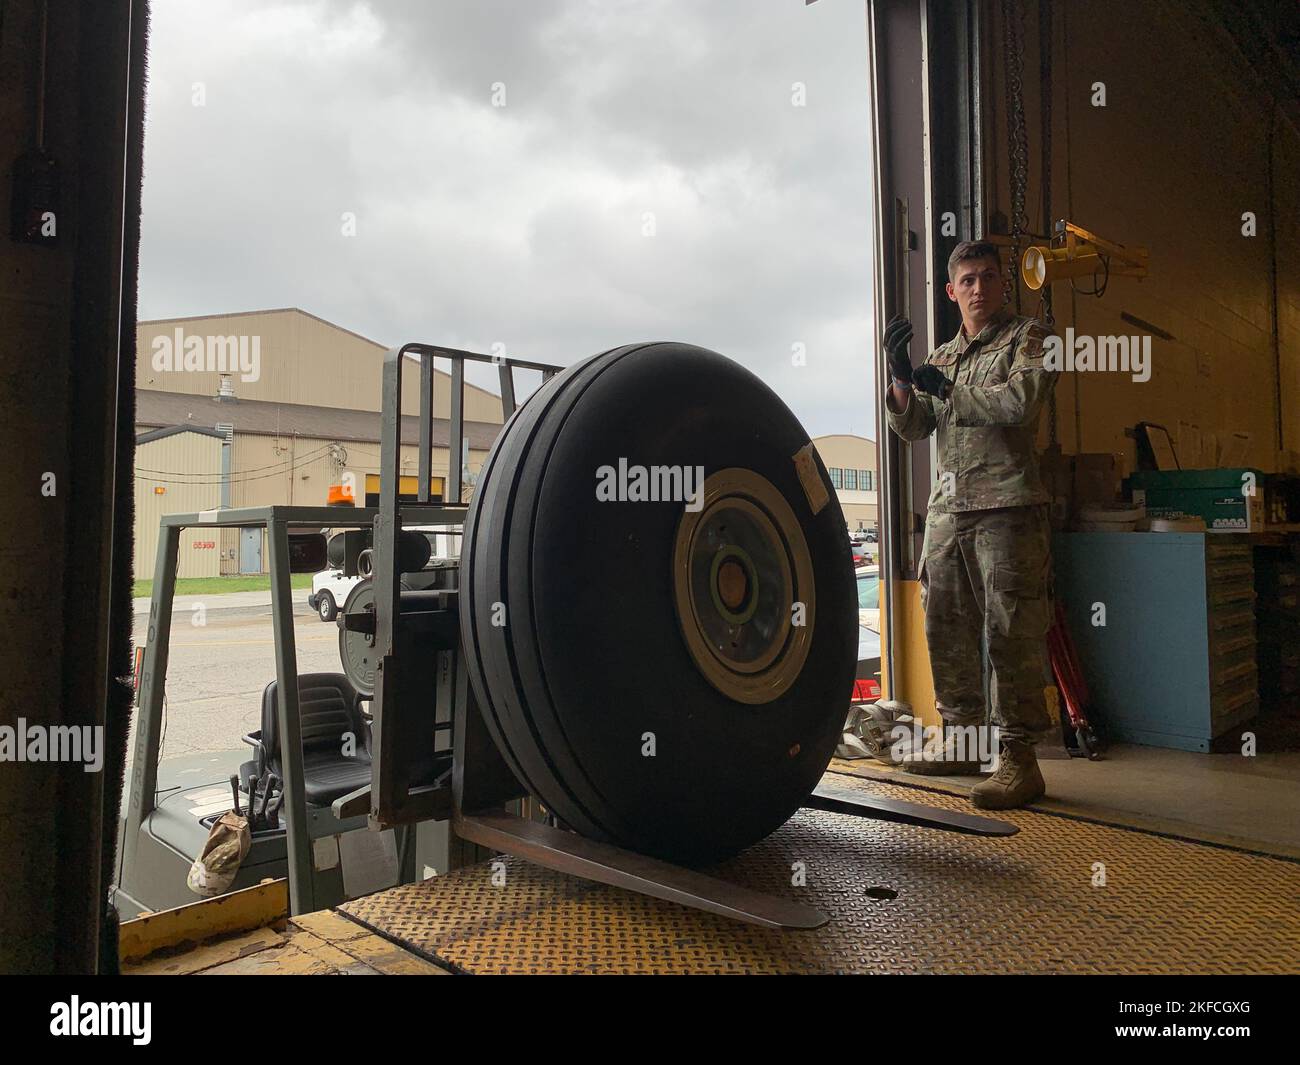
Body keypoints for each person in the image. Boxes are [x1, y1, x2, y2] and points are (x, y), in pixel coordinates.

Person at [882, 240, 1060, 809]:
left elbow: (1020, 403)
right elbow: (913, 429)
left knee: (1011, 631)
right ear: (952, 291)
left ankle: (1019, 758)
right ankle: (963, 738)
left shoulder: (1030, 340)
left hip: (1006, 506)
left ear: (1003, 284)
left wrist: (950, 391)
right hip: (949, 509)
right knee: (945, 624)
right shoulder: (942, 356)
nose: (978, 288)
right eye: (968, 280)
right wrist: (902, 382)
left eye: (988, 277)